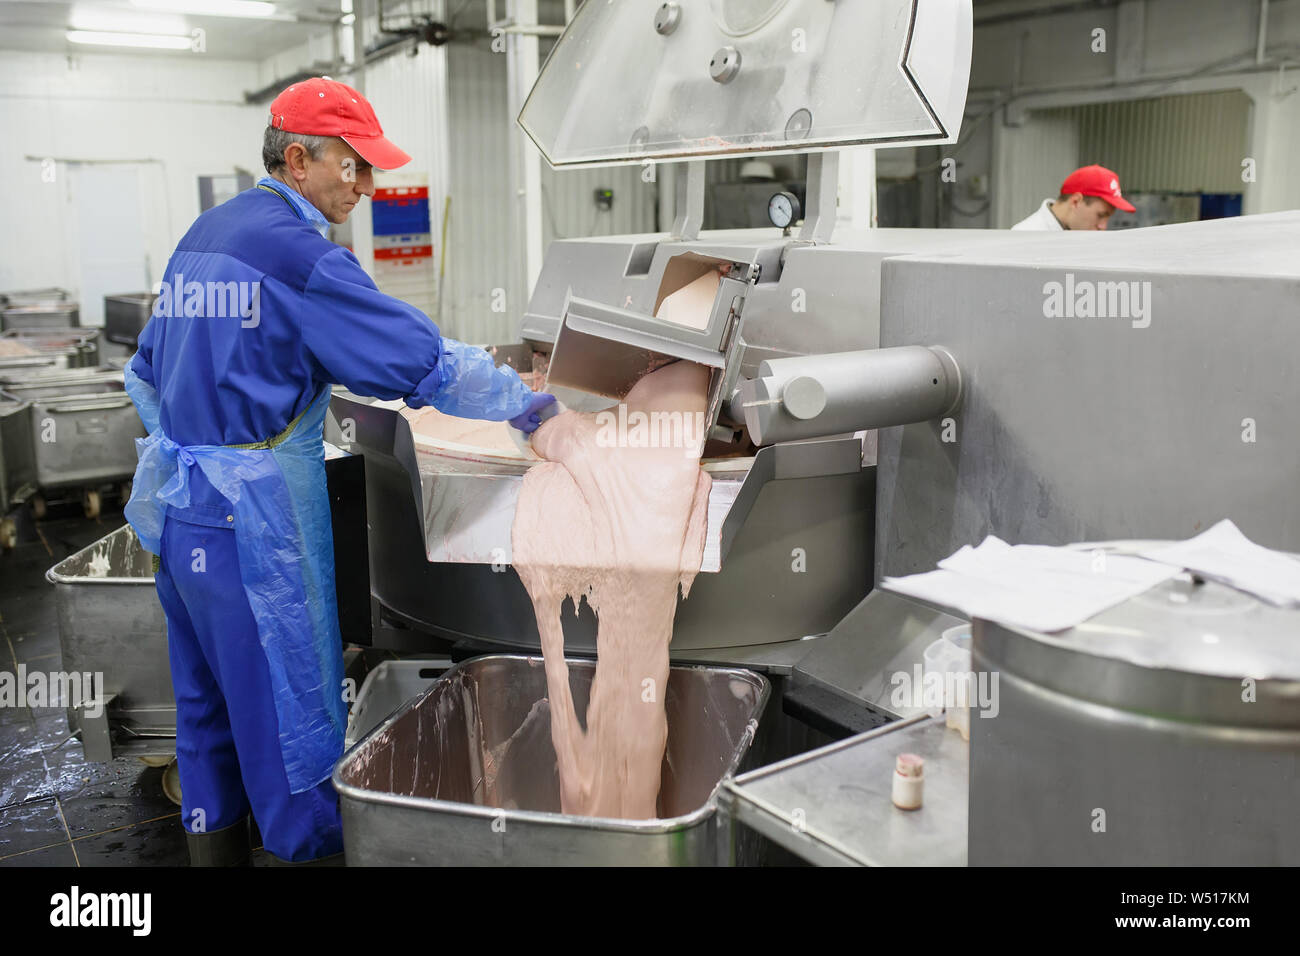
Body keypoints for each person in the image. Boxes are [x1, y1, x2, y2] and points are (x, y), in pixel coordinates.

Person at [122, 77, 555, 866]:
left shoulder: (205, 236)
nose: (365, 184)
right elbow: (418, 361)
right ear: (298, 159)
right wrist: (525, 403)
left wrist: (202, 447)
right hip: (251, 534)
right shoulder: (302, 259)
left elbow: (143, 374)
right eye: (351, 166)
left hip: (181, 517)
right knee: (293, 736)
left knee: (207, 713)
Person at [1011, 164, 1136, 231]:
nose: (1103, 227)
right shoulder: (1027, 237)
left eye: (1108, 218)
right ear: (1076, 202)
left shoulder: (1077, 234)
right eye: (1100, 215)